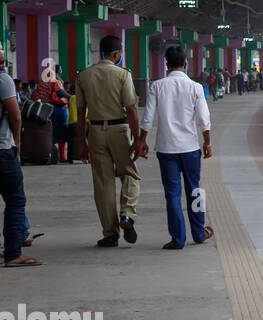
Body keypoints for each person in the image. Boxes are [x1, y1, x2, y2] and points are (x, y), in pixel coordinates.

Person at [136, 46, 214, 250]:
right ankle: (198, 233)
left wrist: (141, 141)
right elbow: (204, 119)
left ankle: (177, 239)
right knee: (195, 190)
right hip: (190, 148)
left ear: (166, 65)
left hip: (166, 150)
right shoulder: (196, 87)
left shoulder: (157, 86)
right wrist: (207, 142)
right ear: (185, 64)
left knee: (172, 194)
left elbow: (147, 119)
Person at [76, 35, 143, 247]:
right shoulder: (123, 75)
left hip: (95, 132)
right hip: (119, 130)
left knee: (103, 184)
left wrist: (82, 142)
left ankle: (110, 233)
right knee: (130, 173)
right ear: (116, 54)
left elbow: (80, 111)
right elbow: (131, 109)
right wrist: (138, 138)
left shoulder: (84, 76)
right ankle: (127, 215)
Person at [0, 48, 40, 267]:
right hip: (3, 149)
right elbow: (15, 116)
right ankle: (13, 253)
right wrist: (18, 142)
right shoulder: (3, 79)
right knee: (15, 200)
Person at [35, 63, 71, 163]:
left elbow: (35, 97)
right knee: (62, 132)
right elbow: (61, 93)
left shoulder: (40, 84)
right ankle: (62, 157)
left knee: (49, 133)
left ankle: (49, 156)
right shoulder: (55, 81)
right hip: (57, 109)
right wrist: (72, 97)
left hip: (45, 110)